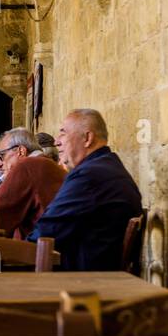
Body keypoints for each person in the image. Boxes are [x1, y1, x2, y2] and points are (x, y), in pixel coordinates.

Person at [31, 109, 142, 270]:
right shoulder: (107, 166)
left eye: (63, 133)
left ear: (88, 138)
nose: (56, 141)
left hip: (84, 281)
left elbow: (45, 235)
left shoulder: (89, 176)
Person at [0, 128, 66, 240]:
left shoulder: (27, 165)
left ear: (20, 151)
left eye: (3, 155)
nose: (1, 163)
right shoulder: (51, 165)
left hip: (35, 251)